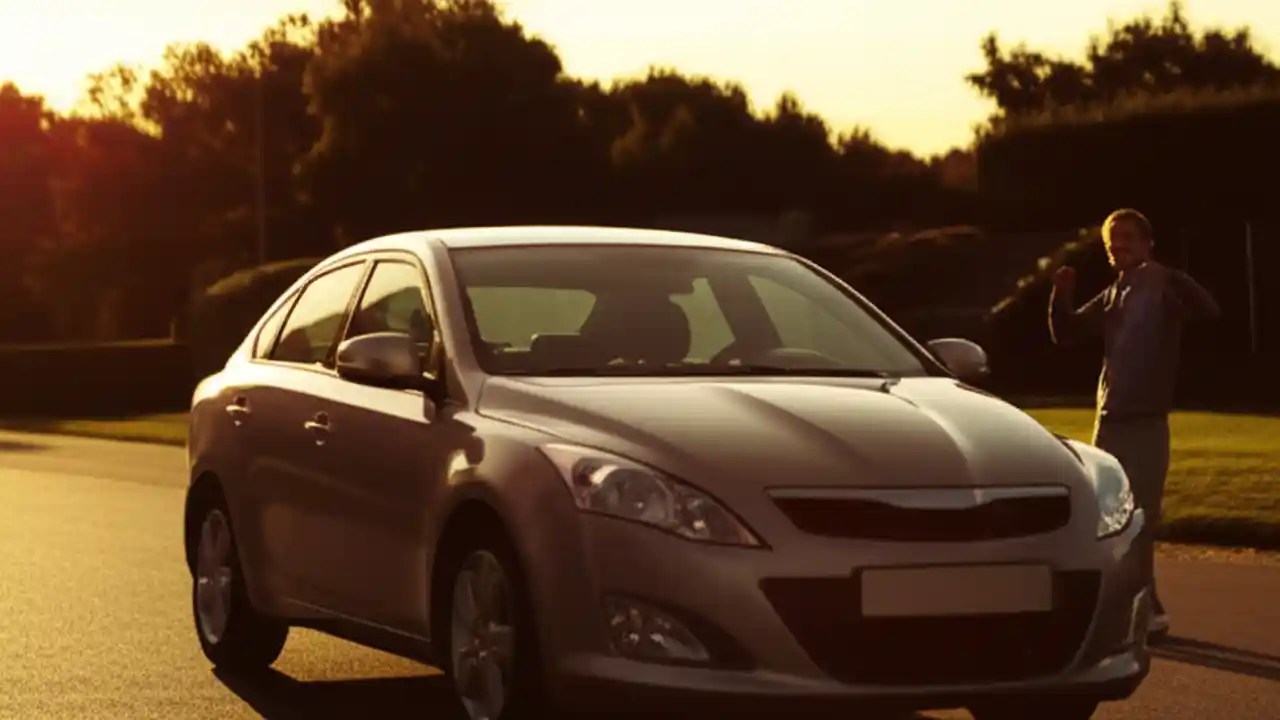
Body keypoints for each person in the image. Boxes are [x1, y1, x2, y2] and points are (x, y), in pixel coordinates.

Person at [1048, 208, 1220, 641]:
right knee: (1110, 517)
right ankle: (1140, 607)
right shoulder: (1113, 293)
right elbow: (1065, 334)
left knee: (1138, 518)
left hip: (1144, 421)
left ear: (1147, 243)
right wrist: (1061, 296)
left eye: (1127, 238)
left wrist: (1173, 281)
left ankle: (1146, 610)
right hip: (1107, 421)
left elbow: (1208, 310)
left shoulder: (1161, 283)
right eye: (1112, 242)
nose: (1118, 247)